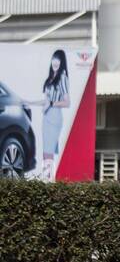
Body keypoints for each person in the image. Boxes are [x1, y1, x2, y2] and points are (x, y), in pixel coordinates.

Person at [40, 49, 70, 180]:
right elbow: (45, 101)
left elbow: (67, 102)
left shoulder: (62, 77)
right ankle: (47, 179)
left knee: (49, 151)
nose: (55, 62)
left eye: (58, 59)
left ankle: (48, 181)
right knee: (46, 151)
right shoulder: (50, 78)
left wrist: (51, 103)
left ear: (62, 62)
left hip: (54, 116)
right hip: (46, 116)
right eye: (54, 58)